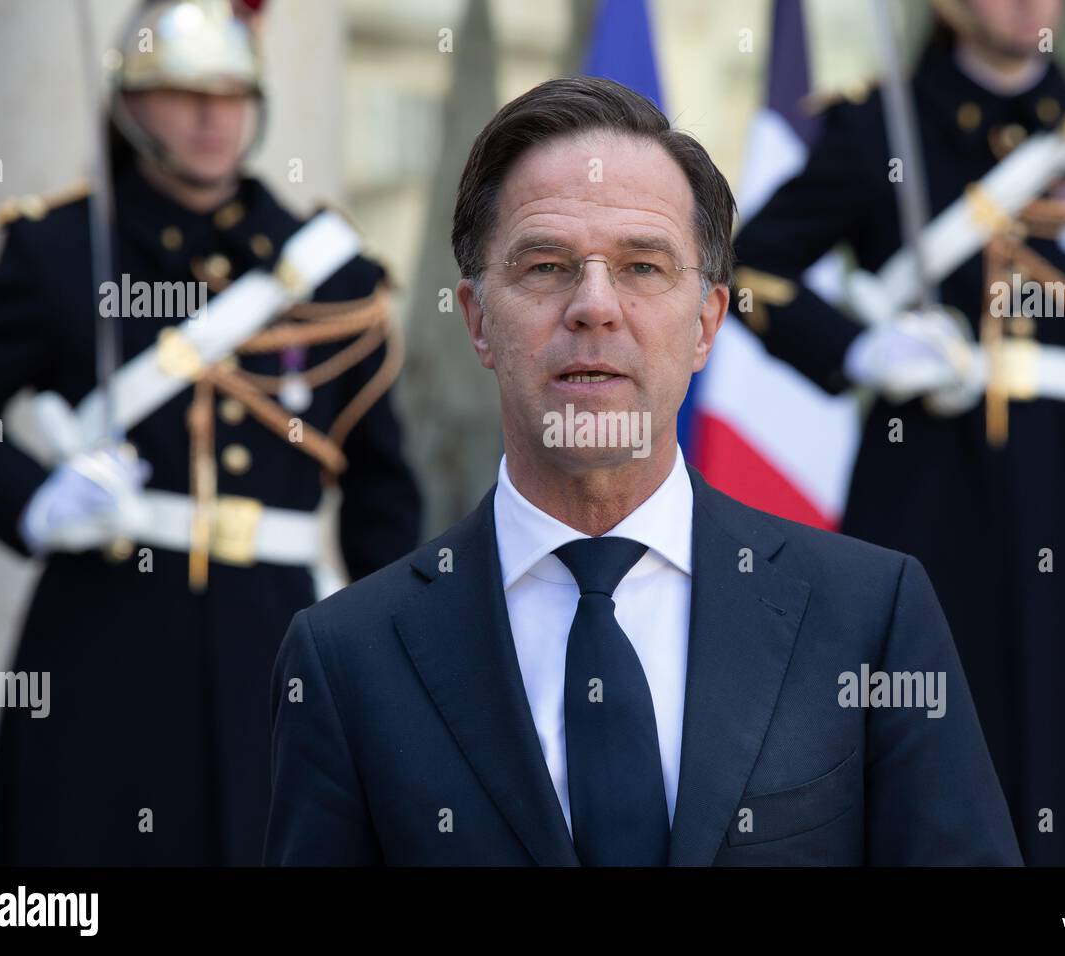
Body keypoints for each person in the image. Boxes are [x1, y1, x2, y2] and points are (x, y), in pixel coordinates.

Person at [263, 75, 1022, 867]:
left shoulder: (870, 619)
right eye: (547, 266)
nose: (595, 306)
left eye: (642, 267)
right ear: (478, 320)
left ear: (707, 324)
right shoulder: (346, 658)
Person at [0, 0, 420, 865]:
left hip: (278, 636)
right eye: (184, 94)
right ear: (132, 104)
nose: (213, 118)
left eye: (233, 94)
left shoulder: (326, 270)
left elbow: (380, 485)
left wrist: (394, 661)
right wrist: (34, 500)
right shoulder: (58, 250)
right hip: (102, 638)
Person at [731, 0, 1065, 865]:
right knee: (923, 724)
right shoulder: (878, 124)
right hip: (924, 484)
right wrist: (861, 349)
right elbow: (750, 272)